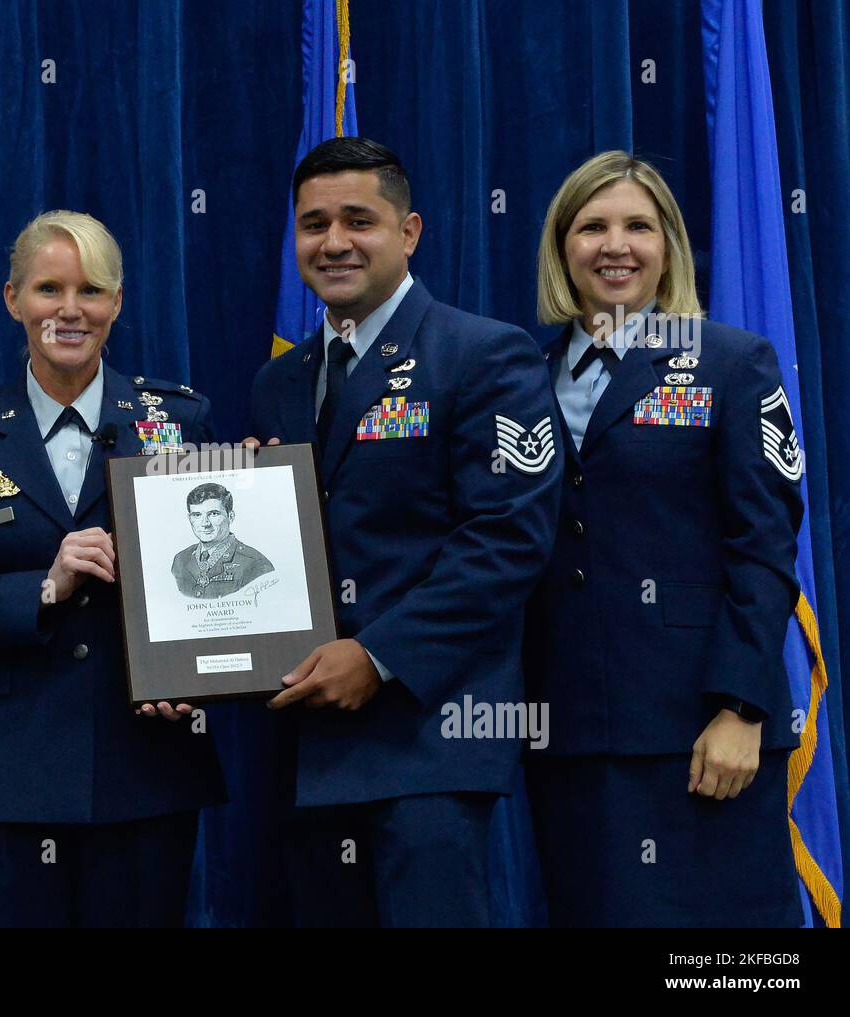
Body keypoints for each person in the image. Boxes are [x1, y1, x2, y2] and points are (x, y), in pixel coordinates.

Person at [245, 137, 562, 926]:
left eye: (360, 219)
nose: (334, 242)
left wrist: (380, 655)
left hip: (427, 736)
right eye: (313, 224)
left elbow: (509, 539)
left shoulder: (483, 353)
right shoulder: (279, 381)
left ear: (410, 231)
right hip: (305, 745)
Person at [0, 210, 225, 927]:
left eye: (92, 290)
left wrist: (198, 679)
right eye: (49, 289)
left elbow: (214, 585)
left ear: (117, 302)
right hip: (13, 773)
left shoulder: (181, 422)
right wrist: (42, 588)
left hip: (146, 768)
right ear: (13, 299)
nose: (70, 310)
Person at [525, 150, 804, 927]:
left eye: (638, 226)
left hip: (701, 729)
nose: (615, 245)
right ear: (561, 246)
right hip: (571, 734)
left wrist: (740, 708)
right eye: (592, 226)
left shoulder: (731, 361)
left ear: (669, 246)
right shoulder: (519, 376)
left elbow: (765, 543)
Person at [170, 482, 274, 599]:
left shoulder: (255, 563)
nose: (205, 523)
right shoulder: (180, 560)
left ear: (231, 516)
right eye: (197, 515)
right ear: (190, 519)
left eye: (213, 514)